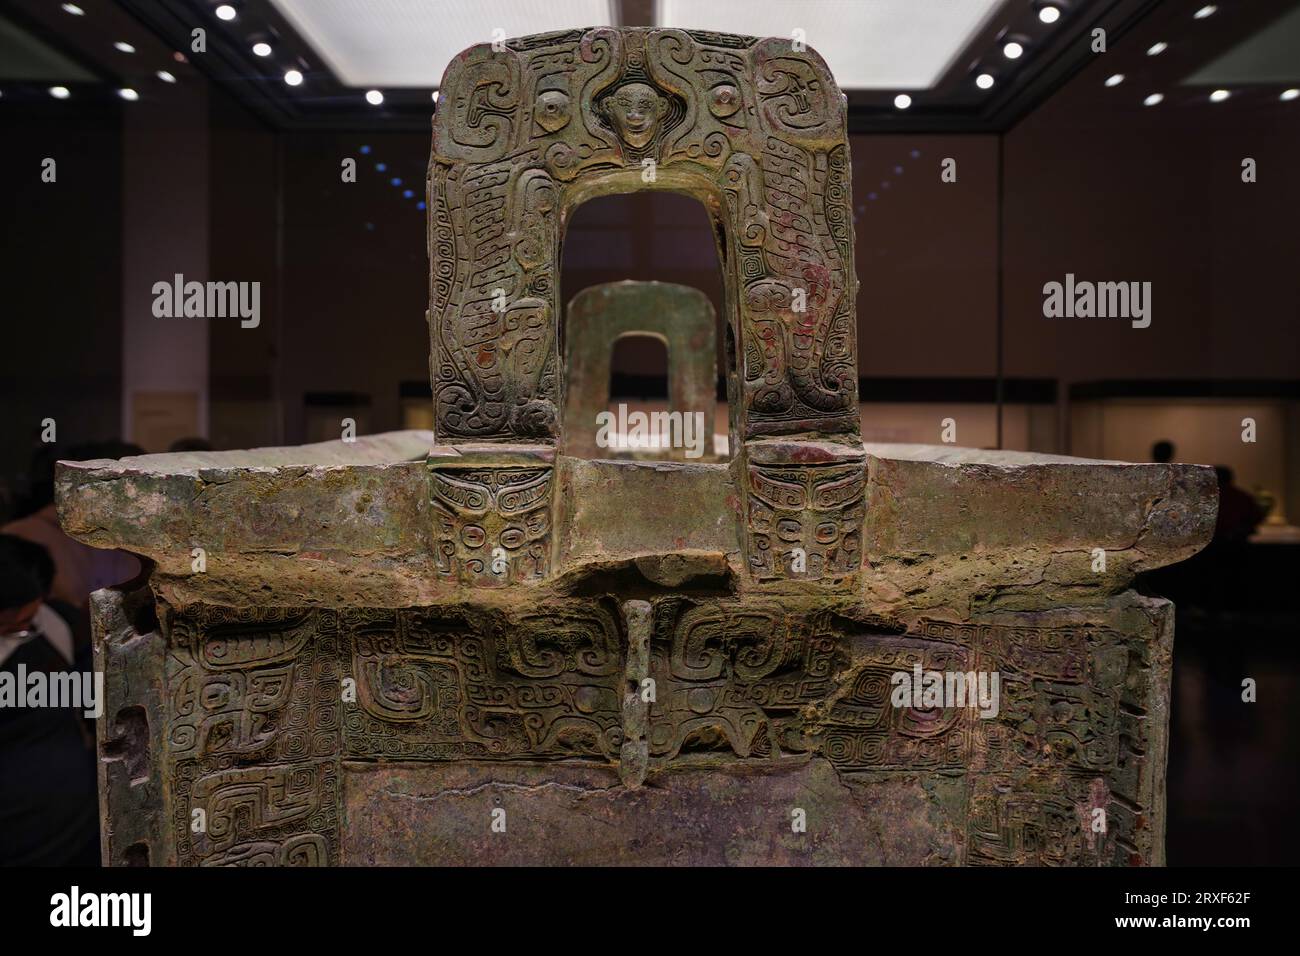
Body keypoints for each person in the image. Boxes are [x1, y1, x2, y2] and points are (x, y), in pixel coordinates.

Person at [0, 542, 100, 866]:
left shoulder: (60, 625)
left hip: (84, 824)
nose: (21, 626)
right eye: (7, 624)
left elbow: (93, 705)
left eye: (27, 617)